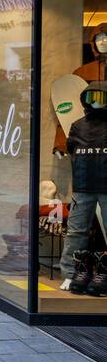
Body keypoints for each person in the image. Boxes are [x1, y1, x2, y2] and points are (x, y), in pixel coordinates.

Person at [60, 81, 107, 293]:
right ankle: (71, 274)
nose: (96, 103)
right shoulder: (78, 126)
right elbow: (70, 148)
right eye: (91, 98)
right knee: (75, 232)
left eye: (101, 98)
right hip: (83, 185)